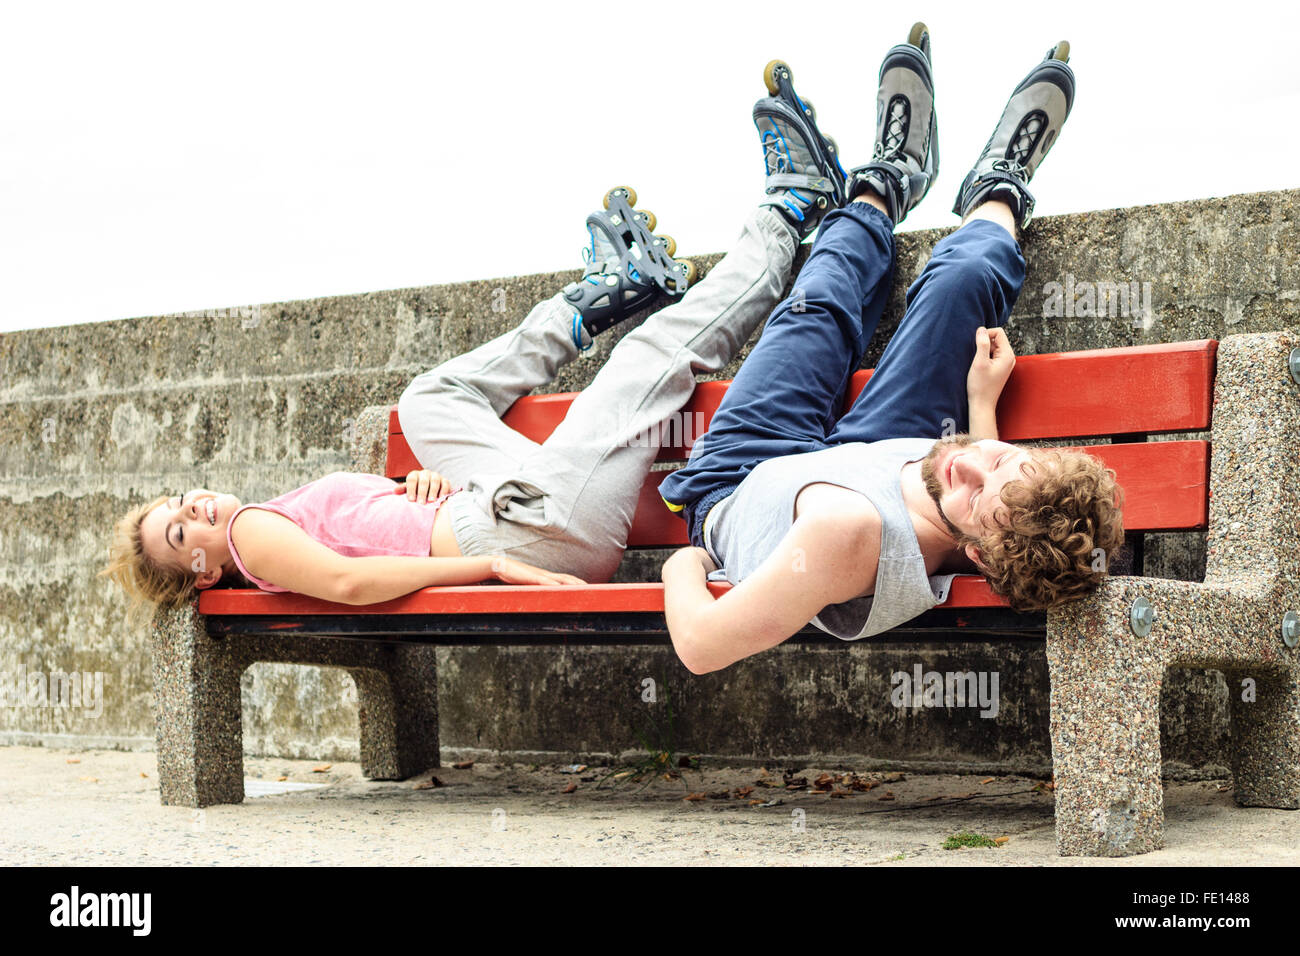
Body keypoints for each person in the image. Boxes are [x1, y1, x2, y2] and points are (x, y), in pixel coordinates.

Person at [100, 72, 826, 613]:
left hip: (503, 510)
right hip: (522, 531)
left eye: (178, 500)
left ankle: (602, 295)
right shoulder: (253, 536)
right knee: (648, 361)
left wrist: (411, 497)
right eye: (178, 531)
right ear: (200, 572)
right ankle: (788, 210)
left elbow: (363, 546)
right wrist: (488, 569)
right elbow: (351, 582)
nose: (193, 508)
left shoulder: (268, 529)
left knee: (427, 401)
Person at [657, 28, 1126, 675]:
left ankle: (881, 185)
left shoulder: (845, 538)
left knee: (815, 308)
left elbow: (702, 648)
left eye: (975, 493)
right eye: (1002, 459)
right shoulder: (986, 522)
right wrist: (981, 405)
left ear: (980, 558)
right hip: (886, 452)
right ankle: (998, 186)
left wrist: (687, 563)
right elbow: (981, 484)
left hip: (744, 473)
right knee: (962, 285)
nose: (968, 462)